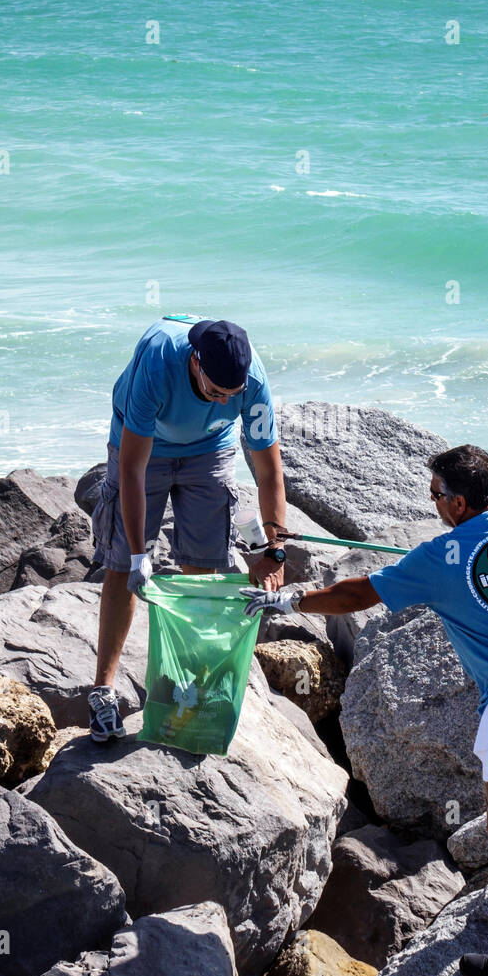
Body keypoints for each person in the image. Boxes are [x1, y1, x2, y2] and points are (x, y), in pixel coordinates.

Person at [240, 444, 488, 976]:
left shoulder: (438, 558)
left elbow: (356, 596)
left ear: (460, 502)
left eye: (436, 494)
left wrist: (291, 603)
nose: (432, 501)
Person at [88, 317, 289, 742]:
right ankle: (102, 690)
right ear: (196, 363)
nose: (222, 402)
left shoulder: (251, 384)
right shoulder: (160, 364)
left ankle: (190, 685)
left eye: (229, 397)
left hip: (210, 449)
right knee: (123, 567)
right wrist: (142, 555)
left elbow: (269, 473)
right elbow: (132, 468)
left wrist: (274, 549)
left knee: (204, 567)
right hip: (145, 446)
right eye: (215, 392)